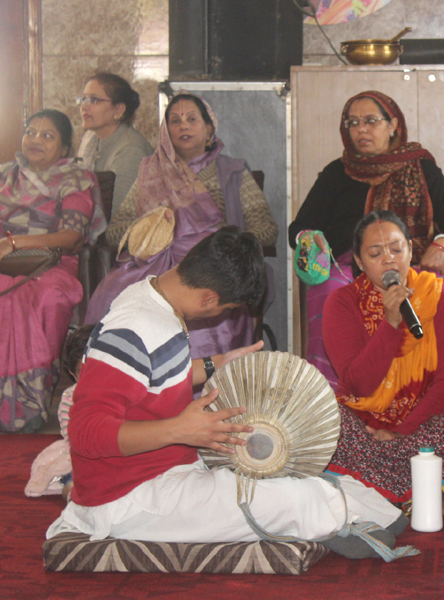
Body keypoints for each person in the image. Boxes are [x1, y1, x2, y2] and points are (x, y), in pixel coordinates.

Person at [48, 227, 406, 553]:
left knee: (300, 471)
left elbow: (151, 376)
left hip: (170, 467)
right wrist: (178, 429)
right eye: (226, 308)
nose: (221, 315)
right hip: (126, 495)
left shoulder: (155, 297)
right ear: (208, 298)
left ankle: (356, 509)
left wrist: (216, 364)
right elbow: (85, 432)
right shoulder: (133, 327)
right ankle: (336, 520)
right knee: (299, 498)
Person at [287, 90, 444, 391]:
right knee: (331, 298)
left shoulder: (421, 167)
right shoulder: (337, 173)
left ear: (393, 125)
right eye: (352, 122)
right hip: (348, 268)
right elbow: (299, 227)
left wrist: (441, 245)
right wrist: (310, 239)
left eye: (371, 121)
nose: (360, 129)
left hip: (409, 264)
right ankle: (335, 396)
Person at [84, 92, 277, 361]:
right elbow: (117, 232)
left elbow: (266, 230)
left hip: (214, 267)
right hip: (152, 267)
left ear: (209, 127)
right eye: (174, 120)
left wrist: (223, 241)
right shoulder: (152, 172)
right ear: (166, 131)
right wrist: (153, 229)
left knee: (212, 299)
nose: (183, 125)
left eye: (191, 119)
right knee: (118, 299)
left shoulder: (231, 171)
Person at [322, 210, 444, 503]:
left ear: (411, 251)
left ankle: (369, 493)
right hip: (364, 426)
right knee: (330, 426)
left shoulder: (438, 297)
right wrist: (389, 324)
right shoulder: (342, 302)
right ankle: (409, 491)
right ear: (359, 262)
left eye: (397, 249)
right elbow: (357, 385)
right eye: (375, 253)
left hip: (423, 424)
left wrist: (403, 431)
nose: (389, 259)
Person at [0, 109, 103, 432]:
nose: (36, 140)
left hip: (53, 263)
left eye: (48, 136)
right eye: (31, 132)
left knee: (36, 297)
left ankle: (26, 407)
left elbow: (71, 237)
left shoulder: (75, 179)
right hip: (2, 258)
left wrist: (16, 243)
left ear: (64, 148)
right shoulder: (5, 175)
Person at [25, 323, 94, 500]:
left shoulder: (123, 391)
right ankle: (72, 491)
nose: (95, 377)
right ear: (73, 373)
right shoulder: (70, 397)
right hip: (81, 452)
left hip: (116, 448)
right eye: (83, 372)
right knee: (67, 472)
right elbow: (70, 434)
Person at [76, 73, 153, 216]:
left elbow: (121, 219)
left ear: (118, 110)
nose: (84, 106)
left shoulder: (130, 151)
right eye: (83, 99)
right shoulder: (90, 137)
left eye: (94, 100)